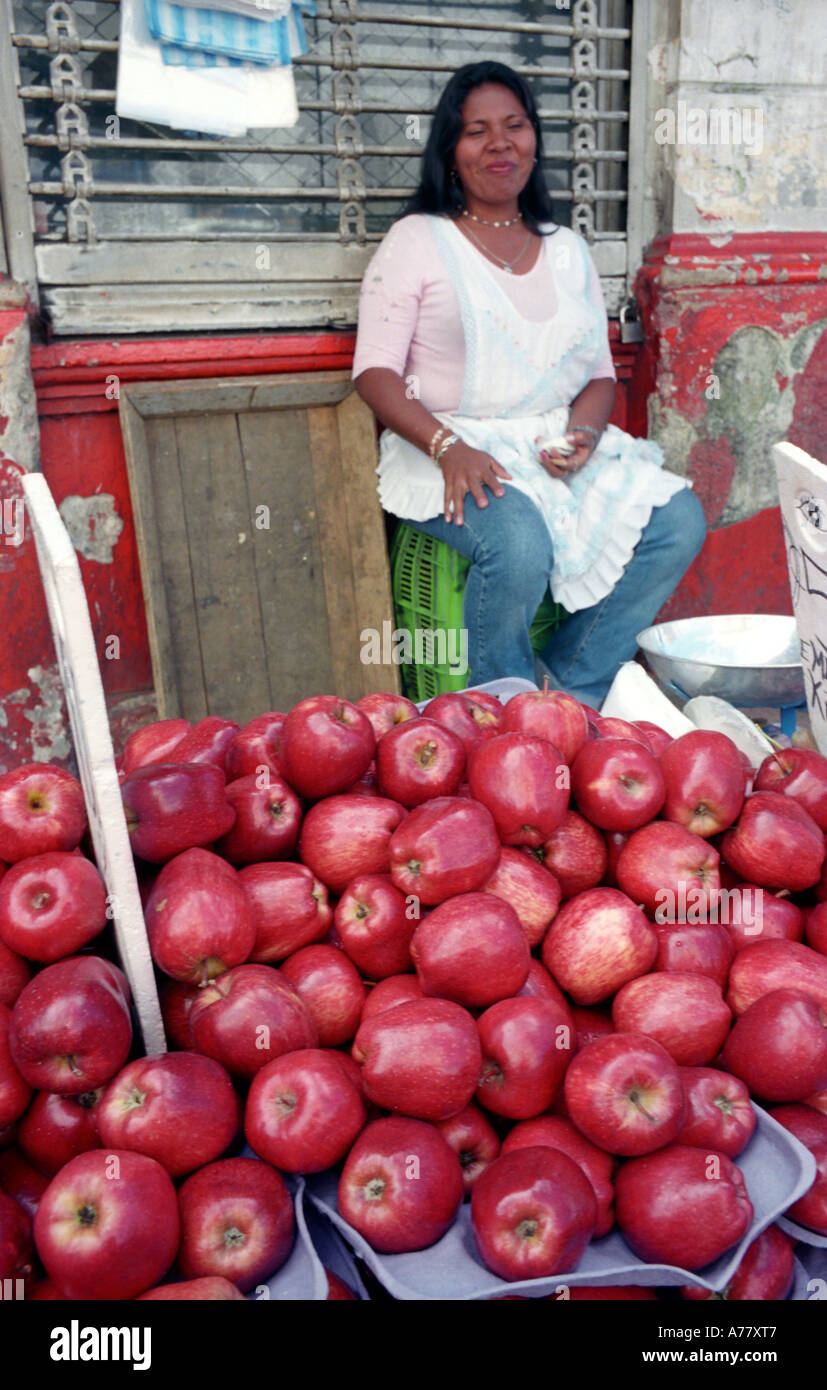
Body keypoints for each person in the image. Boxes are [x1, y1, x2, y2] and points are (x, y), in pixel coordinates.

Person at [352, 60, 706, 706]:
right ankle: (502, 708)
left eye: (513, 125)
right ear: (449, 151)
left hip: (548, 446)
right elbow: (372, 372)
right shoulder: (417, 240)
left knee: (677, 519)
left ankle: (571, 686)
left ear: (534, 139)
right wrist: (445, 448)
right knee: (517, 541)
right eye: (475, 131)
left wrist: (582, 437)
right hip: (445, 443)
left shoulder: (567, 249)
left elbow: (597, 375)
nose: (499, 143)